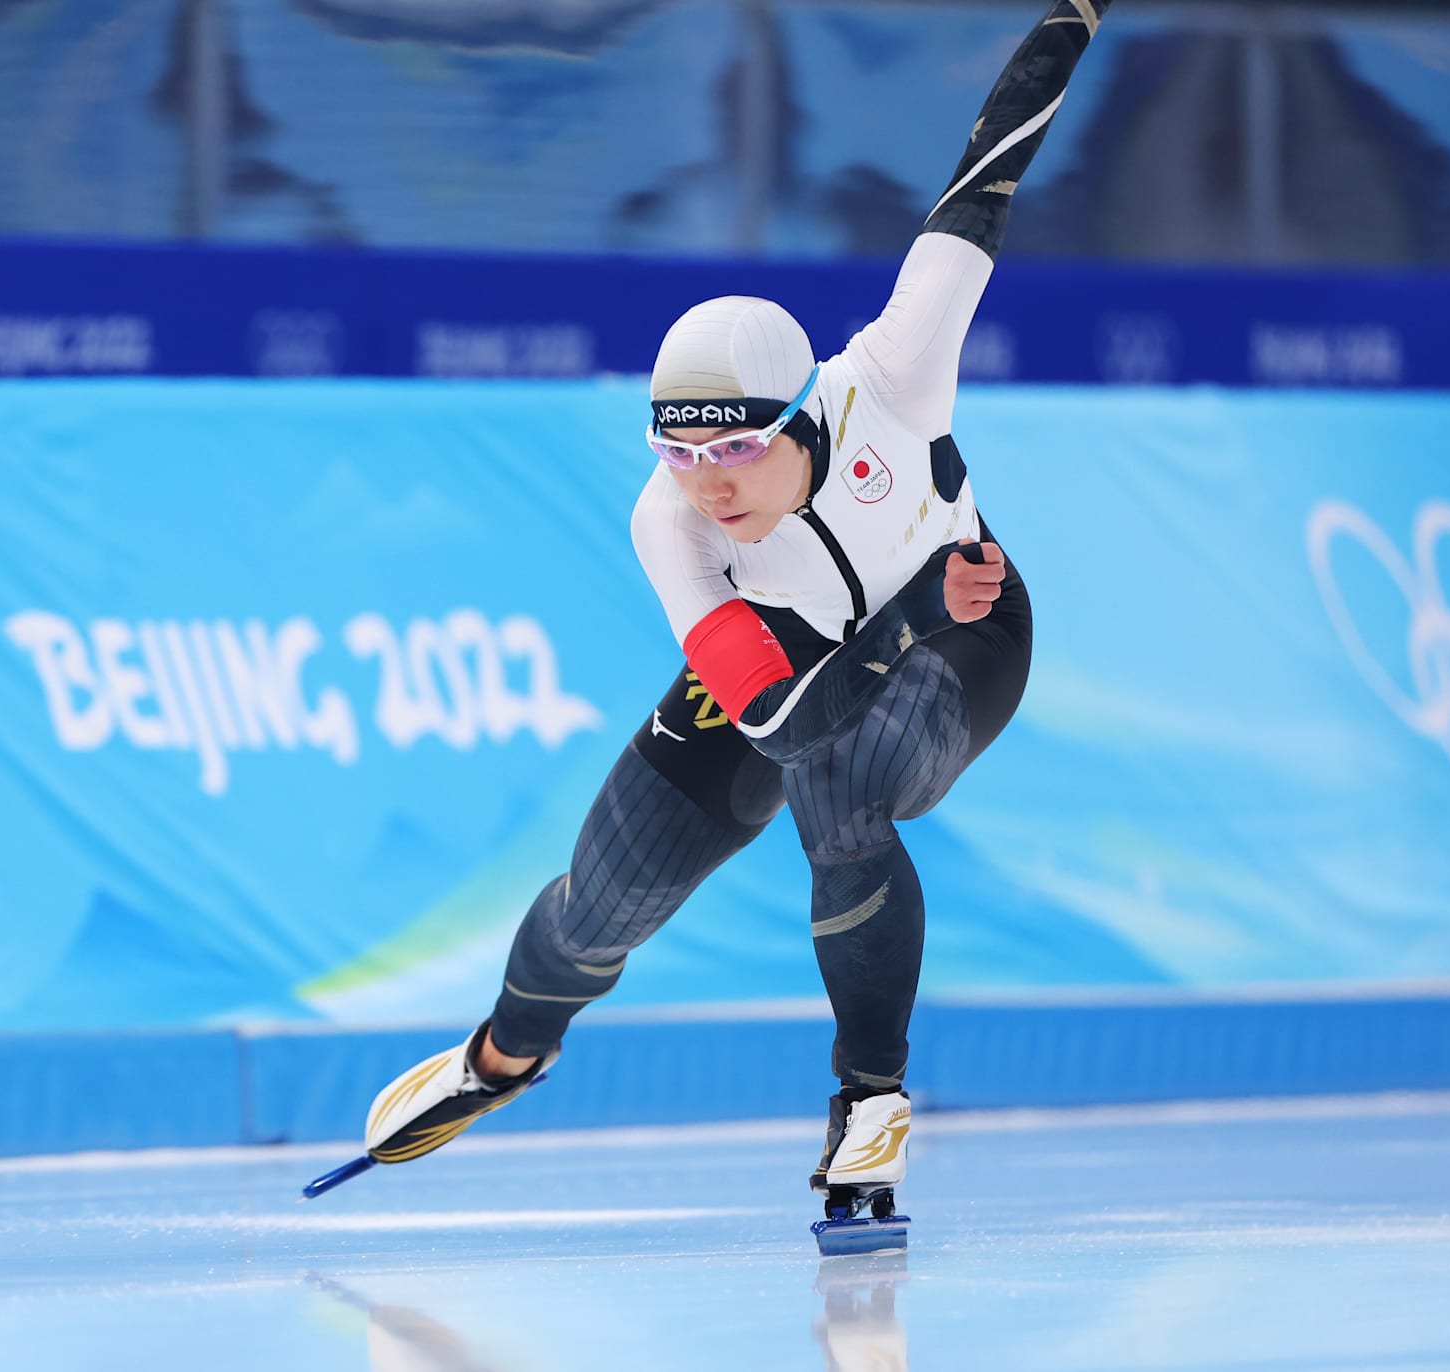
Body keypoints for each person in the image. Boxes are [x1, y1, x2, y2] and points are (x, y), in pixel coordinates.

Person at [356, 0, 1108, 1211]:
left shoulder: (897, 370)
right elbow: (777, 717)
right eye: (678, 455)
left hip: (966, 634)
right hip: (840, 650)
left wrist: (1072, 14)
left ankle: (871, 1095)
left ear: (801, 419)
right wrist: (899, 612)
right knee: (601, 903)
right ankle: (500, 1056)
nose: (706, 484)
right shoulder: (670, 521)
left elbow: (990, 164)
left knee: (851, 787)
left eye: (733, 454)